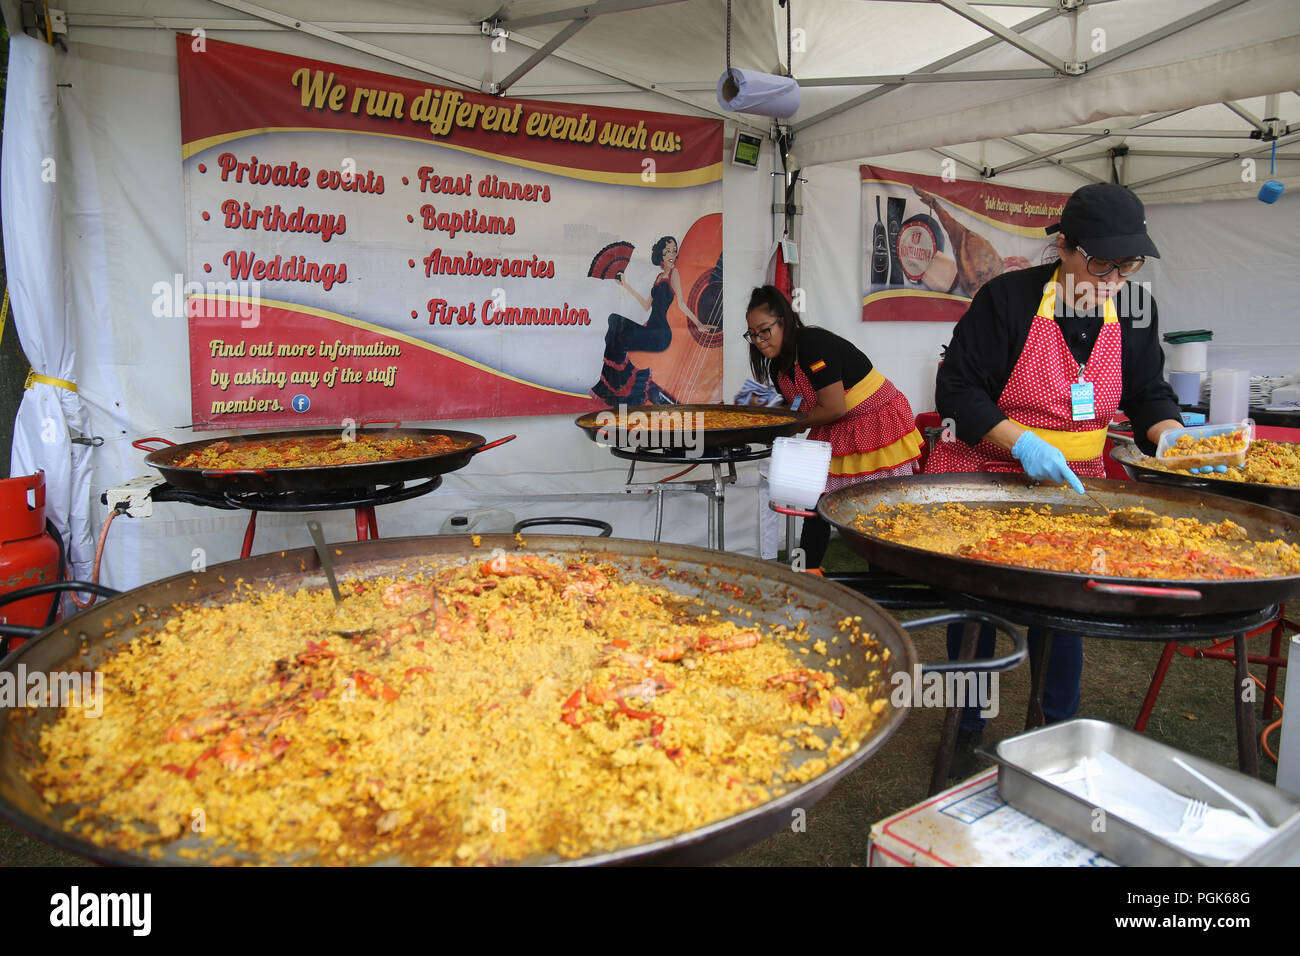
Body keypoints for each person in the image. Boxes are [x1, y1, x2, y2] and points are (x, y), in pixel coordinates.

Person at [927, 183, 1183, 773]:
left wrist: (1169, 432)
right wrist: (1022, 444)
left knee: (1068, 609)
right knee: (980, 610)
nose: (1112, 279)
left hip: (1077, 487)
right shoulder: (1007, 300)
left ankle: (1055, 734)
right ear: (1063, 247)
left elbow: (1148, 393)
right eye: (1100, 263)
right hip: (991, 476)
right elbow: (957, 390)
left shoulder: (1136, 312)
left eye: (1128, 265)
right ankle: (966, 724)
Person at [746, 285, 923, 568]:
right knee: (817, 503)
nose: (758, 340)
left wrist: (787, 424)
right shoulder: (777, 367)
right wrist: (761, 417)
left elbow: (833, 406)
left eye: (764, 330)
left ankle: (883, 580)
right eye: (752, 334)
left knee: (878, 509)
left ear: (785, 321)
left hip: (875, 422)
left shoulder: (812, 344)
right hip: (836, 427)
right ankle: (807, 570)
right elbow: (798, 409)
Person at [591, 236, 704, 406]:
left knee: (617, 332)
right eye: (667, 251)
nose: (672, 254)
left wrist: (699, 324)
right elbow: (646, 305)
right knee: (614, 320)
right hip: (650, 330)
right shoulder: (659, 277)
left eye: (674, 250)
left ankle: (617, 384)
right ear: (661, 256)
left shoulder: (674, 274)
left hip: (660, 335)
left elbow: (681, 303)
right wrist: (625, 285)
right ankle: (616, 383)